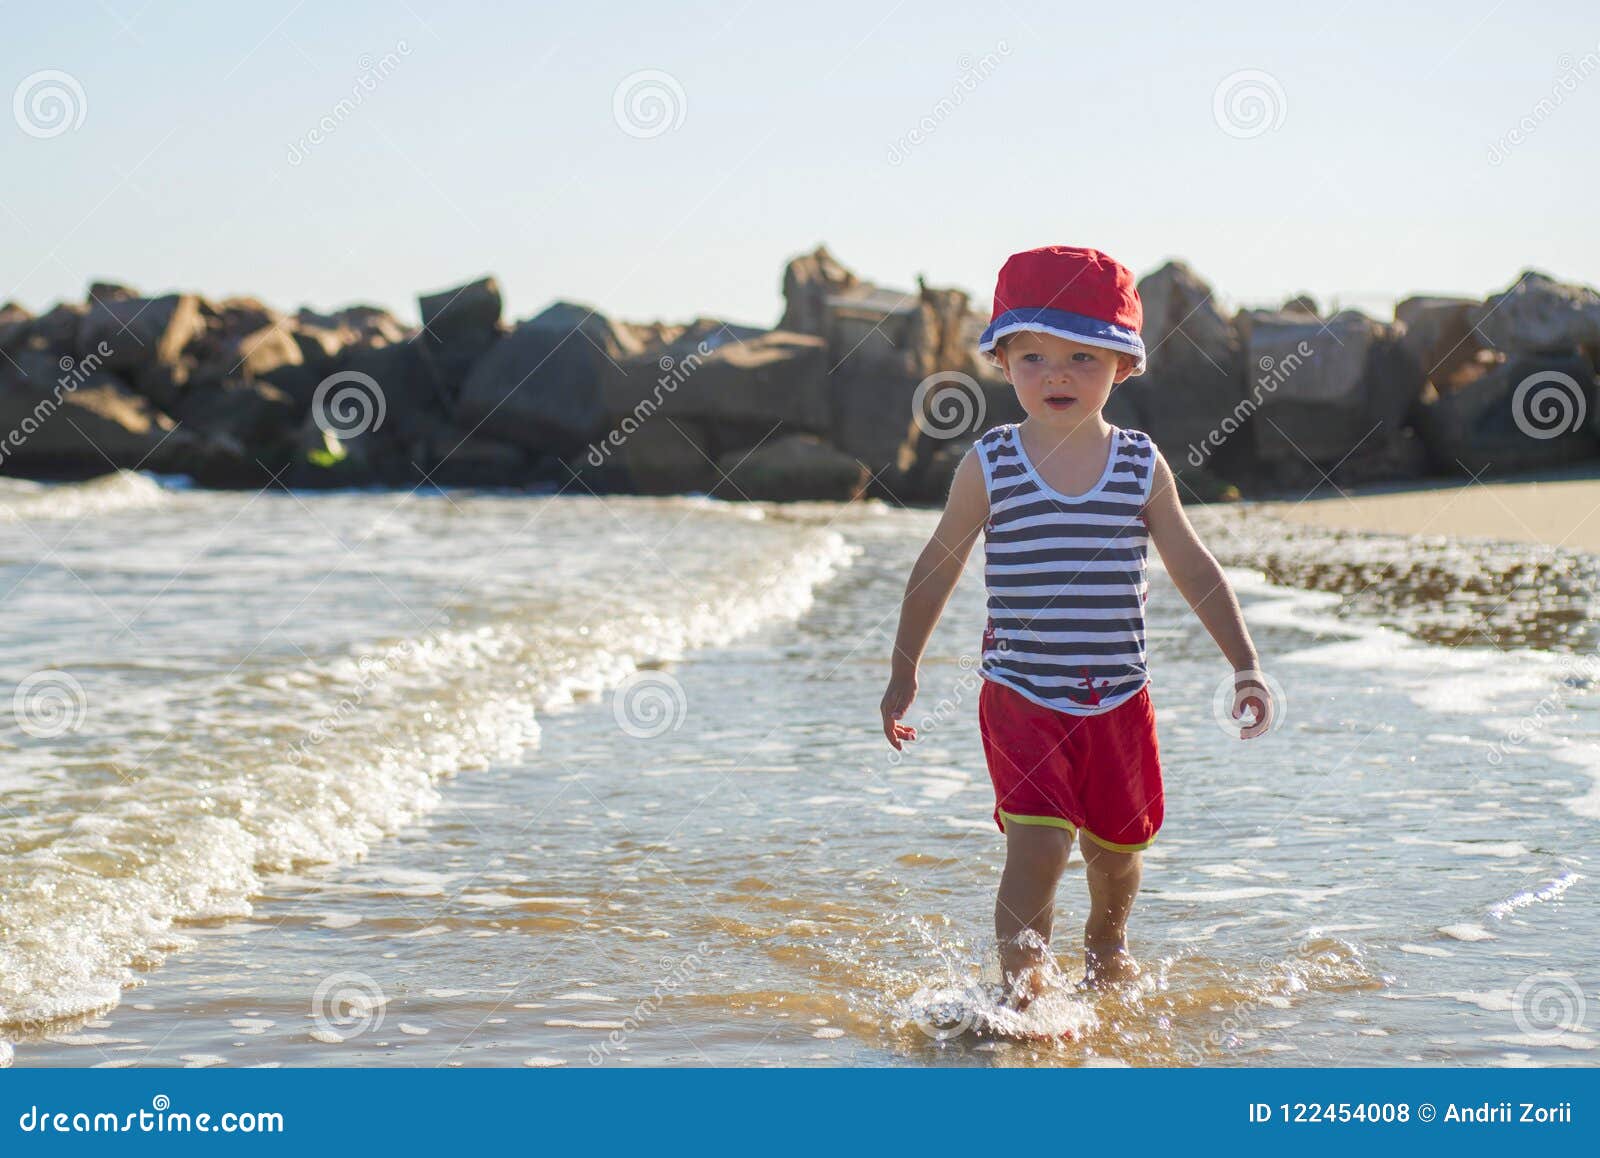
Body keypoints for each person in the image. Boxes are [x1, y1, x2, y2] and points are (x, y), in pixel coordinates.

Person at [880, 245, 1272, 1007]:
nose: (1055, 373)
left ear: (1122, 365)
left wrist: (1245, 662)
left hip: (1120, 699)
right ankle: (1026, 994)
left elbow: (1194, 567)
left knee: (1120, 853)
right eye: (1033, 356)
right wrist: (905, 671)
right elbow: (937, 566)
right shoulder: (989, 463)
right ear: (1002, 361)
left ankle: (1106, 941)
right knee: (1037, 846)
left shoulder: (1139, 464)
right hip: (1023, 696)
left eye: (1080, 357)